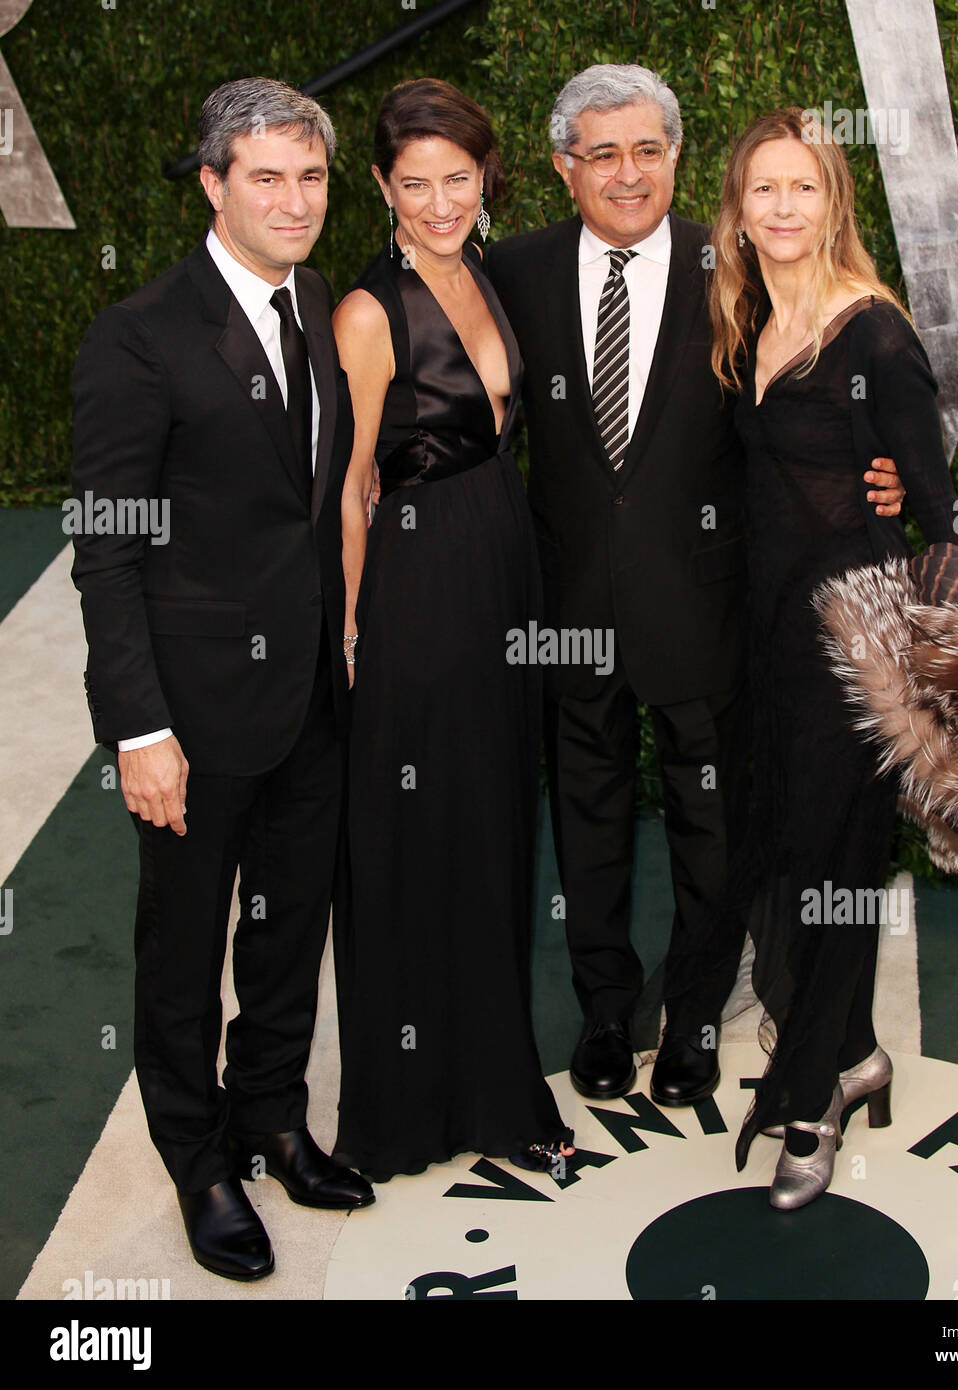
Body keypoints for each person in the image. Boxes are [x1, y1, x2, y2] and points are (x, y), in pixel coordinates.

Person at [485, 66, 906, 1108]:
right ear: (561, 165)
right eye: (602, 152)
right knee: (584, 818)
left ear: (675, 156)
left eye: (648, 150)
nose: (627, 174)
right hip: (572, 614)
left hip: (706, 610)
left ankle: (694, 1016)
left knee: (708, 822)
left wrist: (878, 475)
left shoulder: (737, 267)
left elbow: (818, 376)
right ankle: (601, 1010)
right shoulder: (516, 272)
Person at [70, 77, 374, 1282]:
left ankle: (273, 1118)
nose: (293, 200)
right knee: (184, 947)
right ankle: (197, 1162)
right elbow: (106, 546)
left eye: (309, 177)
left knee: (292, 926)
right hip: (191, 715)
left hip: (309, 697)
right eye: (266, 177)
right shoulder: (139, 336)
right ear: (212, 184)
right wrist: (139, 725)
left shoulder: (315, 311)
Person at [708, 107, 958, 1208]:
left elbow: (941, 505)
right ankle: (855, 1046)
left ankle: (812, 1099)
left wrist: (901, 491)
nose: (780, 208)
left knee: (832, 866)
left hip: (850, 649)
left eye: (801, 188)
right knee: (790, 854)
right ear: (739, 205)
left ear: (832, 202)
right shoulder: (745, 317)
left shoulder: (873, 333)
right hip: (764, 641)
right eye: (762, 188)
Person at [330, 78, 574, 1181]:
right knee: (411, 839)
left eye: (457, 180)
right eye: (414, 183)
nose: (437, 202)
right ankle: (401, 1111)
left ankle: (493, 1087)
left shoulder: (486, 269)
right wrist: (347, 631)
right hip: (418, 589)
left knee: (489, 828)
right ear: (381, 186)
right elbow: (346, 490)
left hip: (499, 562)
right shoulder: (368, 312)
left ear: (487, 180)